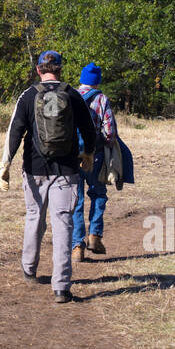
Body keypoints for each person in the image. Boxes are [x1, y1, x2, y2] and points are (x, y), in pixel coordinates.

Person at [0, 50, 96, 304]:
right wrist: (88, 153)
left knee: (34, 217)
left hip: (34, 169)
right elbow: (89, 128)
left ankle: (29, 269)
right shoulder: (73, 95)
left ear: (39, 70)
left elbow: (15, 131)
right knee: (63, 223)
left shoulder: (28, 96)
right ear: (60, 69)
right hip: (66, 170)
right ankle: (61, 287)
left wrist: (5, 164)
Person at [73, 62, 117, 260]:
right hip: (95, 154)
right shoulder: (101, 99)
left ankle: (77, 246)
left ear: (82, 79)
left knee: (76, 200)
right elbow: (109, 132)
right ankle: (94, 235)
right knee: (98, 194)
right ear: (97, 81)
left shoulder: (71, 95)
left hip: (72, 155)